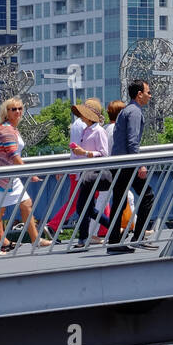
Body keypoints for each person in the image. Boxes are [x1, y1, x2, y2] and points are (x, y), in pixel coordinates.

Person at [0, 98, 53, 255]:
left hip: (11, 176)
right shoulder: (8, 130)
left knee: (26, 204)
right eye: (13, 109)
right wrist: (30, 174)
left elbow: (0, 135)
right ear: (6, 112)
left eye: (20, 108)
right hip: (4, 176)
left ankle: (35, 239)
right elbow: (14, 155)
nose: (17, 112)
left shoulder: (10, 129)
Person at [107, 80, 159, 254]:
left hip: (119, 162)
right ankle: (138, 238)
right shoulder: (135, 112)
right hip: (128, 163)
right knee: (148, 195)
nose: (149, 96)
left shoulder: (125, 111)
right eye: (148, 92)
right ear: (139, 94)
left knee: (119, 202)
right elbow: (132, 140)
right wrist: (140, 164)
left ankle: (114, 242)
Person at [67, 102, 111, 251]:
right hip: (86, 173)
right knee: (87, 208)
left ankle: (84, 238)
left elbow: (104, 153)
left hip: (93, 173)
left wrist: (84, 153)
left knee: (82, 207)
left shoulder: (98, 131)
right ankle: (110, 228)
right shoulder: (87, 130)